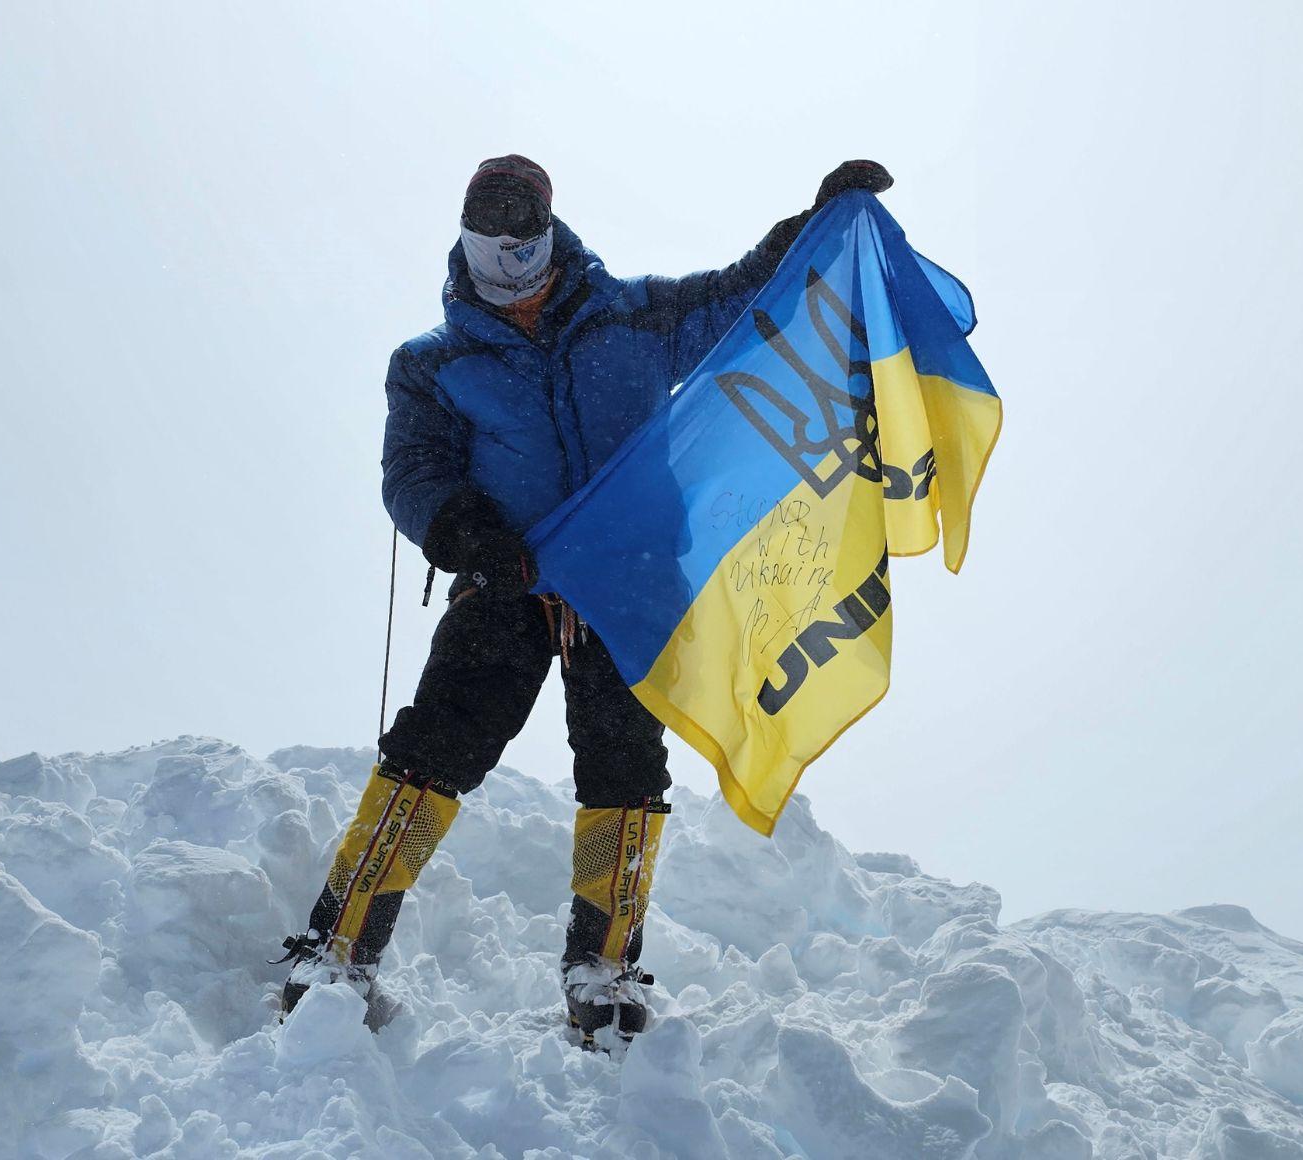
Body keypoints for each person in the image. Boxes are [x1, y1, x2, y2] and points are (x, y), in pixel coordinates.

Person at [274, 154, 894, 1045]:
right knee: (435, 745)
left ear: (548, 235)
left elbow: (742, 295)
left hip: (627, 580)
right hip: (506, 580)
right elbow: (412, 471)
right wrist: (465, 533)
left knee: (626, 768)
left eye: (520, 244)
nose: (507, 266)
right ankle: (336, 948)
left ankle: (602, 969)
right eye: (489, 247)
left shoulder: (635, 317)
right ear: (465, 244)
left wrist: (816, 221)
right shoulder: (433, 365)